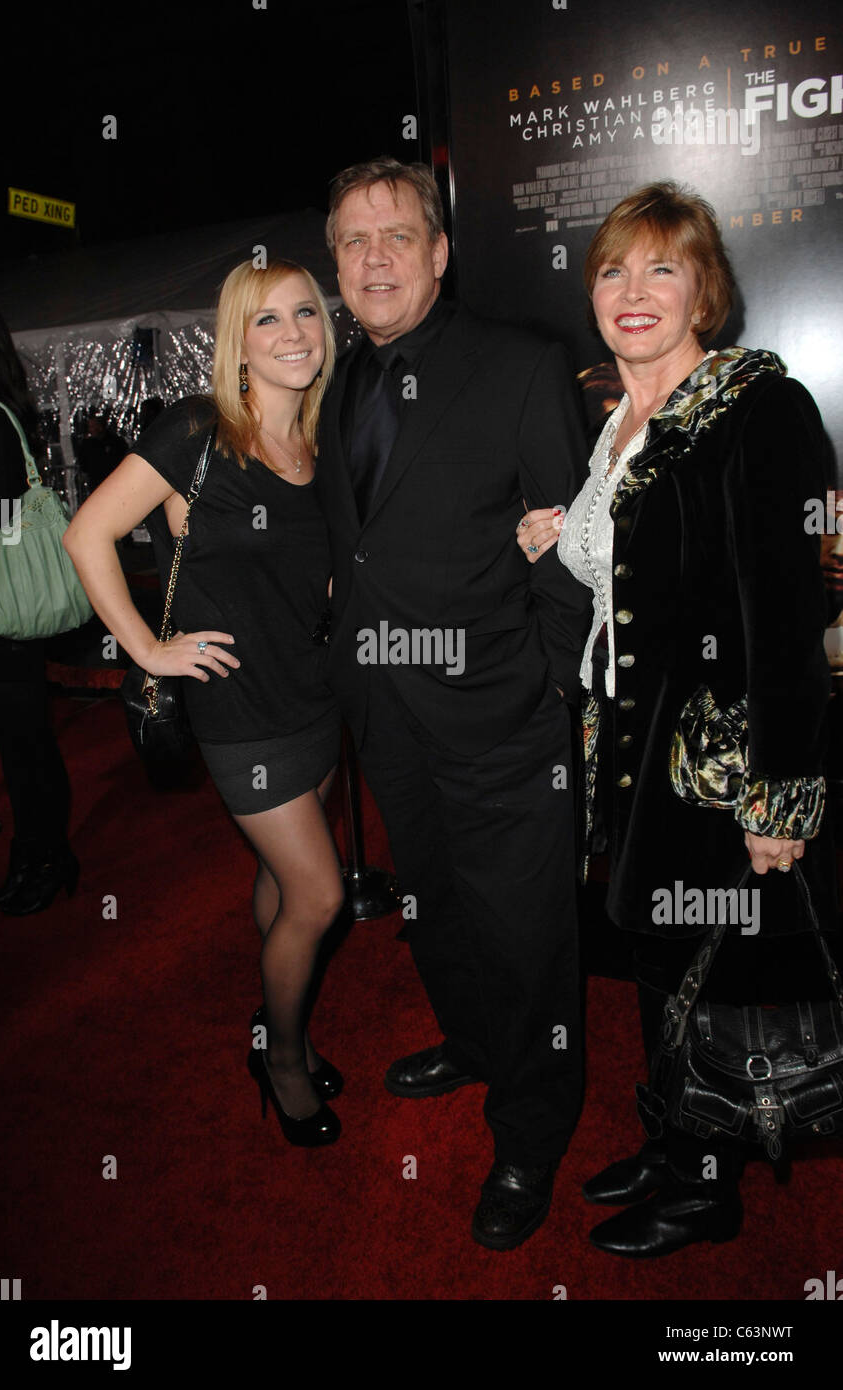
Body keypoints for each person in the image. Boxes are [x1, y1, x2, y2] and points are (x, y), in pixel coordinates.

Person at [517, 181, 838, 1256]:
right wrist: (556, 532)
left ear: (705, 288)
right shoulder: (617, 415)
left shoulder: (756, 409)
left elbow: (788, 616)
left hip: (715, 761)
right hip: (625, 745)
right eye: (611, 269)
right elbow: (641, 563)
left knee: (716, 973)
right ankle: (669, 1139)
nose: (632, 290)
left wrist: (777, 791)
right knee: (657, 959)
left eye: (661, 266)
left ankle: (706, 1187)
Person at [317, 156, 592, 1249]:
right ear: (334, 264)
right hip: (383, 714)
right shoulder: (334, 378)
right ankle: (472, 1042)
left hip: (500, 720)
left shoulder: (522, 366)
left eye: (396, 236)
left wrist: (537, 693)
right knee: (432, 902)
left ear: (439, 254)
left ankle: (532, 1125)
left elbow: (568, 550)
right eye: (351, 240)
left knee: (526, 934)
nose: (373, 257)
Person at [63, 259, 345, 1147]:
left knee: (279, 878)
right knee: (319, 895)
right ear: (237, 343)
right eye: (266, 321)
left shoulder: (320, 443)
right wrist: (147, 648)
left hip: (316, 696)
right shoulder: (198, 430)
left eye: (305, 312)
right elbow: (88, 532)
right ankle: (283, 1058)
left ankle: (274, 1018)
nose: (293, 331)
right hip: (235, 711)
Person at [0, 297, 78, 915]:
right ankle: (39, 855)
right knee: (26, 740)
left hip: (2, 608)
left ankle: (44, 857)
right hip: (2, 608)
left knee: (24, 744)